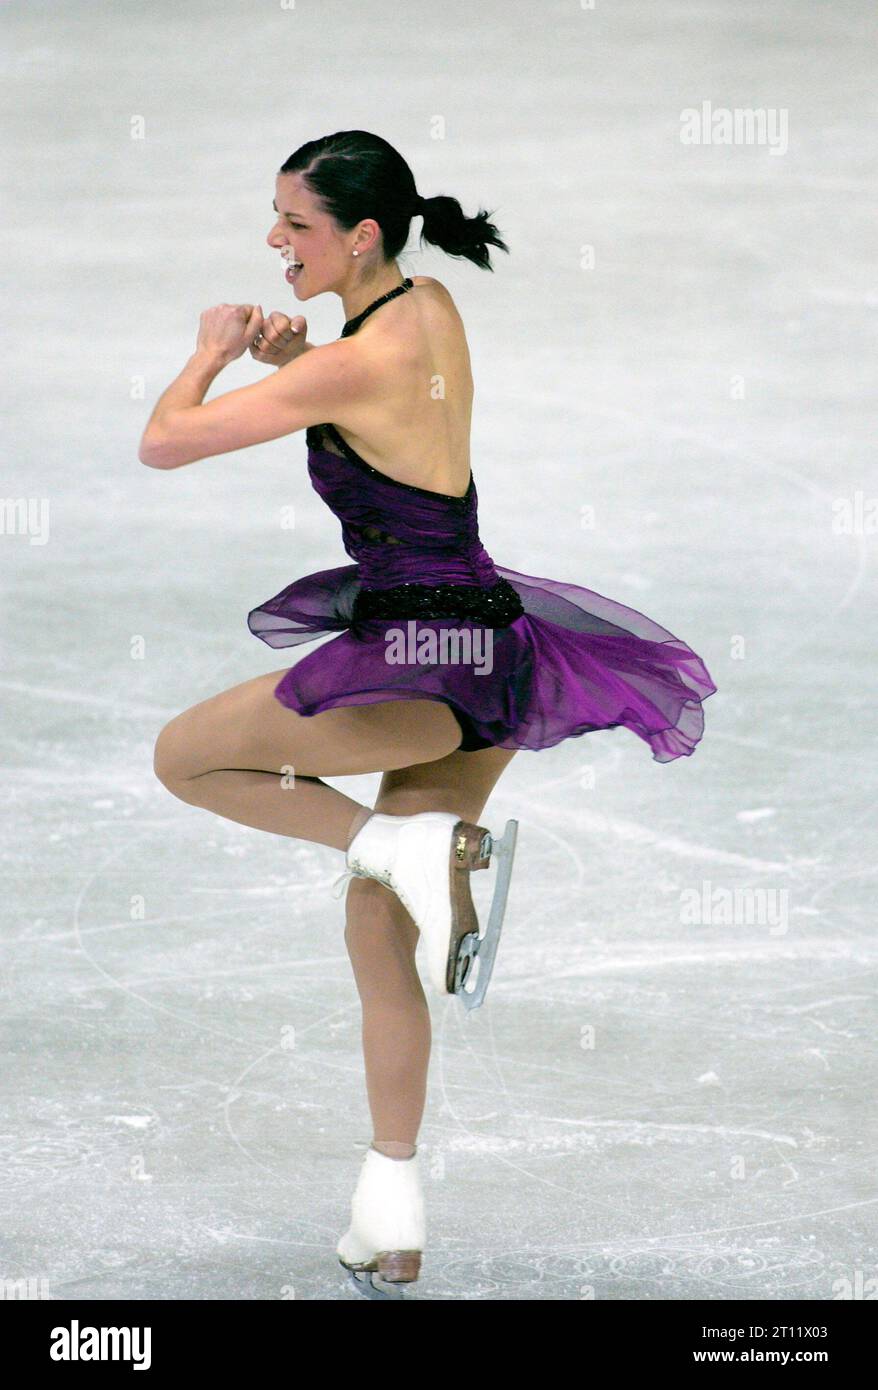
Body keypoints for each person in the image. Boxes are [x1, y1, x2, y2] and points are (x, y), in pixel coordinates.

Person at [138, 130, 716, 1297]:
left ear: (357, 234)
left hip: (412, 664)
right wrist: (298, 358)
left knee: (186, 758)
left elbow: (163, 442)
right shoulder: (428, 306)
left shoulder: (348, 363)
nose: (272, 241)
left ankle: (396, 841)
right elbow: (372, 398)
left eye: (294, 225)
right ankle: (388, 1206)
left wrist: (209, 357)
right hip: (490, 650)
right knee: (373, 924)